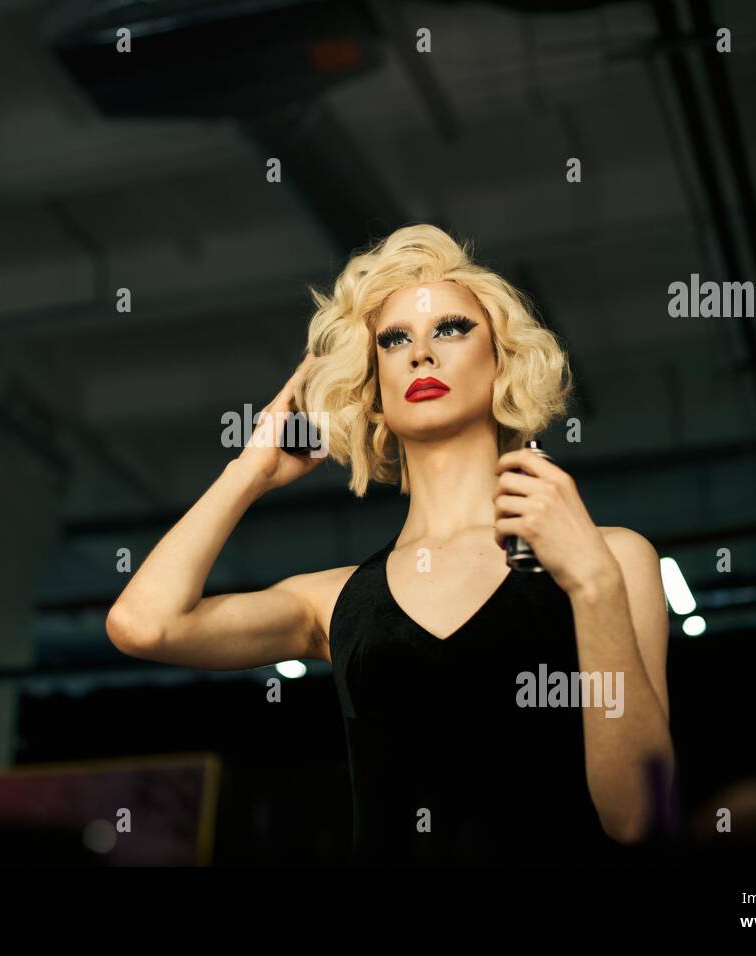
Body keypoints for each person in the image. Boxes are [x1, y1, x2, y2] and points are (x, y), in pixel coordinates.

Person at [106, 223, 674, 865]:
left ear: (503, 360)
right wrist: (252, 469)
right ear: (374, 382)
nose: (421, 354)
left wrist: (592, 586)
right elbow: (142, 625)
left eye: (453, 329)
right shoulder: (333, 601)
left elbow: (642, 817)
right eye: (395, 339)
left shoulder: (612, 559)